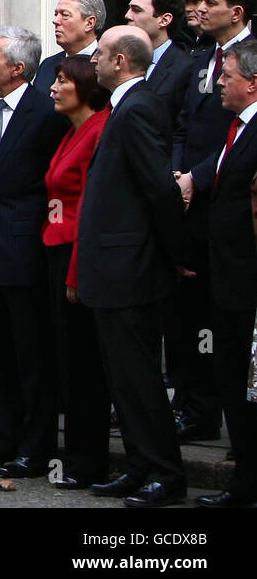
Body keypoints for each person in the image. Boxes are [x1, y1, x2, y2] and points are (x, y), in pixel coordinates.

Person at [77, 26, 188, 507]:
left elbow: (159, 189)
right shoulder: (124, 105)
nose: (93, 61)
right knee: (122, 378)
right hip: (112, 266)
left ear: (120, 60)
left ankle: (165, 473)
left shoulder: (139, 106)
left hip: (130, 267)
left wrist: (175, 254)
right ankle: (140, 466)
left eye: (100, 53)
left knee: (139, 379)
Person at [0, 27, 67, 478]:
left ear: (17, 69)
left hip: (23, 251)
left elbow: (51, 184)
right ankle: (1, 439)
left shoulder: (47, 113)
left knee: (30, 355)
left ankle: (35, 448)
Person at [169, 0, 255, 444]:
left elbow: (239, 133)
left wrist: (197, 177)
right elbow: (184, 124)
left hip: (230, 208)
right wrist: (179, 175)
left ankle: (235, 419)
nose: (197, 6)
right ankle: (193, 405)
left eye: (208, 0)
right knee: (188, 312)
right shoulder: (201, 58)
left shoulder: (252, 60)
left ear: (235, 12)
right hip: (191, 206)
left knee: (228, 321)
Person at [175, 41, 257, 507]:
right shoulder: (234, 128)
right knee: (231, 381)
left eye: (228, 76)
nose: (218, 82)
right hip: (227, 278)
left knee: (243, 384)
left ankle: (245, 486)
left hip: (245, 282)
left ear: (253, 82)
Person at [42, 57, 112, 489]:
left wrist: (74, 275)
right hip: (56, 250)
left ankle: (89, 462)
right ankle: (76, 456)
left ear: (84, 88)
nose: (53, 88)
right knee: (69, 362)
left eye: (63, 81)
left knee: (85, 367)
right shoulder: (72, 131)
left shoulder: (99, 130)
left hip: (76, 257)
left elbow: (87, 209)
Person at [125, 0, 192, 113]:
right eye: (129, 8)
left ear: (164, 20)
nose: (127, 15)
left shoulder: (184, 68)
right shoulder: (122, 60)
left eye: (136, 10)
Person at [33, 0, 106, 93]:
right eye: (56, 14)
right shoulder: (48, 65)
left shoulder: (104, 66)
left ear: (89, 23)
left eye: (65, 15)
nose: (55, 21)